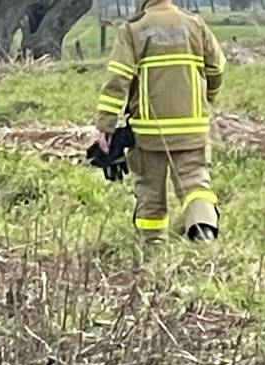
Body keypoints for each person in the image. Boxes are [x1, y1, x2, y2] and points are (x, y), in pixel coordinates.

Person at [93, 0, 226, 243]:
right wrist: (206, 99)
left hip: (148, 134)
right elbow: (216, 69)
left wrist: (106, 125)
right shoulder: (194, 23)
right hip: (192, 129)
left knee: (150, 193)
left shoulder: (133, 29)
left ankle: (153, 248)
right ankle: (204, 233)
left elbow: (117, 79)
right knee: (196, 185)